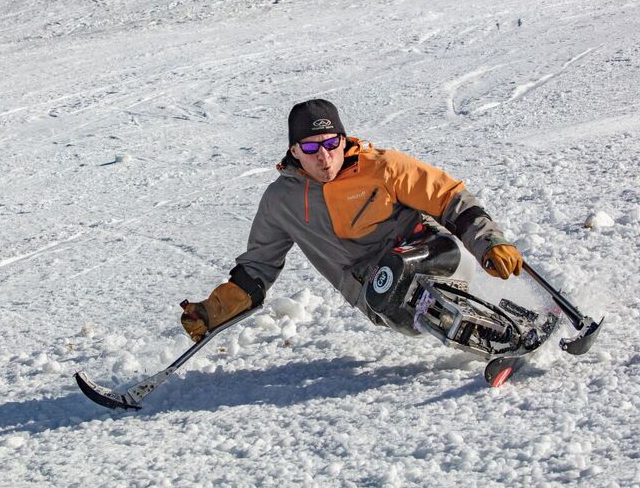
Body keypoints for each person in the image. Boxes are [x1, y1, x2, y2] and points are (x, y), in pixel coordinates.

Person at [180, 99, 523, 342]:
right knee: (390, 287)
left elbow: (446, 196)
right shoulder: (280, 202)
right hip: (374, 293)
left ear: (343, 140)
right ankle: (483, 337)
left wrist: (490, 242)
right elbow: (256, 269)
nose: (325, 157)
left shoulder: (382, 166)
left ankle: (501, 325)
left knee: (410, 271)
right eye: (312, 148)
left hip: (430, 252)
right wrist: (212, 311)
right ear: (294, 150)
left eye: (331, 143)